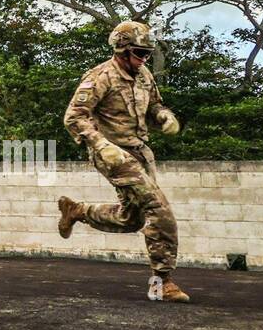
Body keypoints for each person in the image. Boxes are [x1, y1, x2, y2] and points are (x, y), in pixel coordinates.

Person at [59, 21, 190, 303]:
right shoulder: (101, 76)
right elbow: (74, 117)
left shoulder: (144, 76)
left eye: (146, 54)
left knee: (132, 219)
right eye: (139, 53)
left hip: (139, 152)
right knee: (159, 209)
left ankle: (77, 211)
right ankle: (162, 283)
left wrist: (164, 116)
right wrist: (100, 144)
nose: (144, 59)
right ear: (122, 49)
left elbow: (154, 105)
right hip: (112, 155)